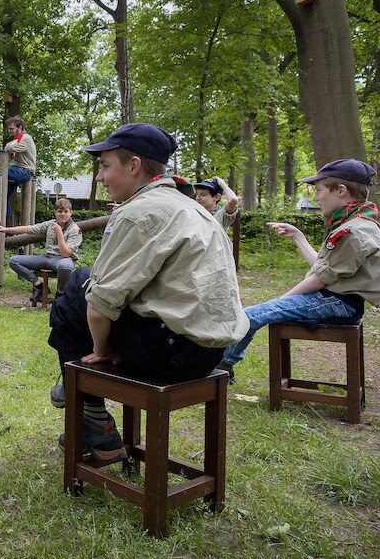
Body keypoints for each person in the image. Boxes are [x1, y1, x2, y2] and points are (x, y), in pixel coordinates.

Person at [47, 123, 249, 462]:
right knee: (84, 280)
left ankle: (90, 413)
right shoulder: (197, 209)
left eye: (105, 165)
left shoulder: (139, 212)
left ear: (134, 165)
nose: (100, 177)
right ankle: (79, 395)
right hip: (211, 354)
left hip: (169, 354)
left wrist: (103, 350)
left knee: (74, 294)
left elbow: (99, 305)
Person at [219, 159, 380, 383]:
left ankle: (222, 367)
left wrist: (279, 300)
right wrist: (297, 235)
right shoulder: (360, 220)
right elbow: (324, 265)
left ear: (341, 190)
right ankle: (223, 363)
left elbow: (319, 279)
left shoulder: (353, 231)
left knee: (251, 315)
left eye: (319, 191)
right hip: (338, 299)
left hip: (339, 303)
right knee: (257, 312)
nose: (317, 198)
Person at [0, 198, 81, 306]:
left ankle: (60, 293)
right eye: (60, 211)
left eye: (66, 212)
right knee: (13, 261)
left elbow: (66, 253)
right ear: (55, 212)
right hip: (47, 257)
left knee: (65, 266)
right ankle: (38, 285)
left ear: (71, 213)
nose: (63, 214)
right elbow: (28, 229)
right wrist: (5, 229)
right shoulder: (50, 224)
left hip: (63, 259)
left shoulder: (75, 229)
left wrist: (59, 233)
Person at [3, 116, 37, 225]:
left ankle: (6, 219)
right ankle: (6, 222)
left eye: (12, 128)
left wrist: (9, 149)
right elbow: (12, 152)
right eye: (9, 129)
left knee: (0, 174)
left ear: (20, 128)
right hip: (16, 170)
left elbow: (8, 148)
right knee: (5, 195)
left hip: (25, 172)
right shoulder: (17, 141)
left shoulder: (26, 138)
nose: (9, 131)